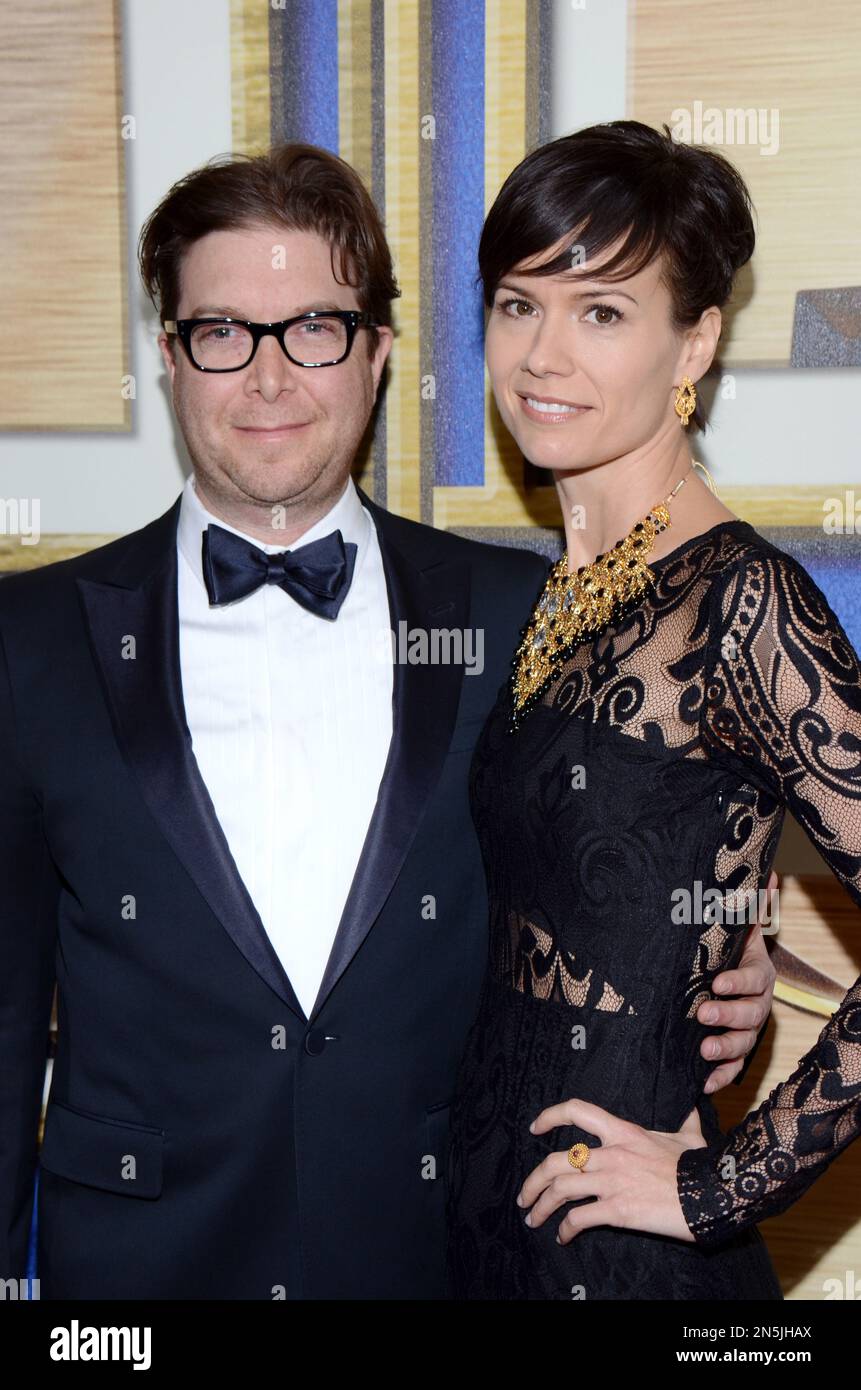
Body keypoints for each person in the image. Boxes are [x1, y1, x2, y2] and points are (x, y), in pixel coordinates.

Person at [0, 142, 775, 1301]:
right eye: (223, 332)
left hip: (440, 1255)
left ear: (379, 354)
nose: (269, 378)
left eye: (314, 326)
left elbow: (617, 875)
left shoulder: (530, 616)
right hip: (137, 1280)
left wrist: (713, 944)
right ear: (169, 359)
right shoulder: (29, 640)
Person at [445, 119, 861, 1301]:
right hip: (490, 1223)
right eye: (518, 303)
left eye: (604, 313)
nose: (542, 355)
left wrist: (714, 1188)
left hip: (625, 1255)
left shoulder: (743, 603)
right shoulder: (554, 591)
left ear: (698, 342)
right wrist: (718, 933)